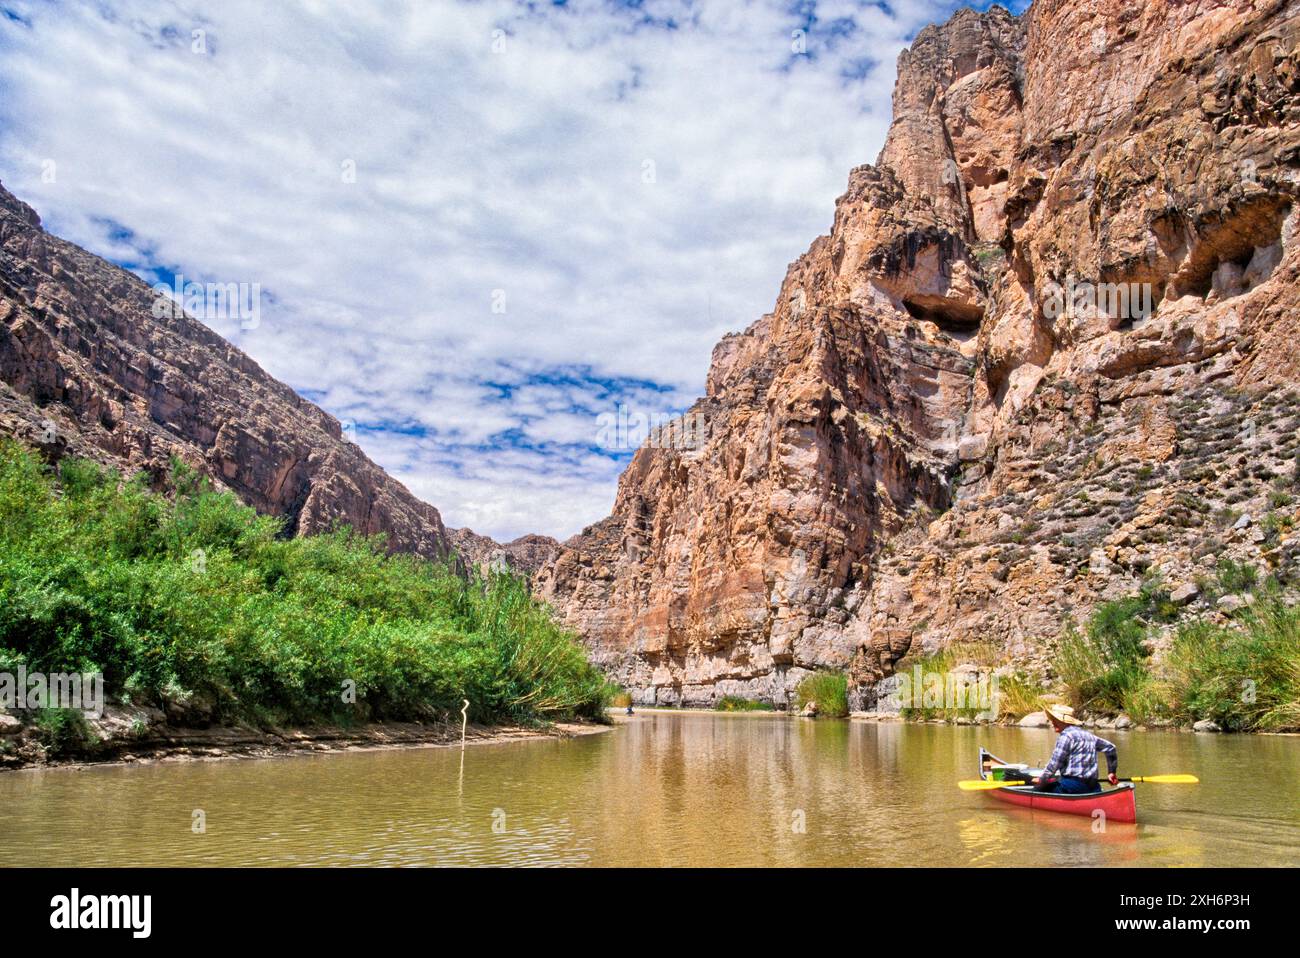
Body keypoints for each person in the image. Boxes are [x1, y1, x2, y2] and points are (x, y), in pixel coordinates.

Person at [1032, 703, 1119, 794]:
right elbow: (1110, 748)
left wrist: (1042, 779)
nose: (1052, 723)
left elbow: (1055, 763)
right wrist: (1111, 772)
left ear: (1062, 720)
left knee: (1038, 789)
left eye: (1054, 720)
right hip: (1093, 786)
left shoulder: (1066, 736)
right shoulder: (1089, 735)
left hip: (1072, 786)